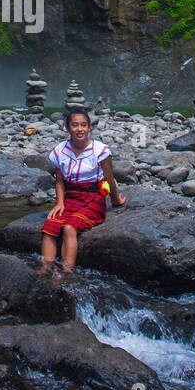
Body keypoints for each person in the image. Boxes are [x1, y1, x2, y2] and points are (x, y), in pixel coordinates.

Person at [39, 108, 125, 274]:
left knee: (70, 227)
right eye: (75, 125)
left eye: (84, 125)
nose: (80, 129)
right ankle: (46, 266)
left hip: (93, 197)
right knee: (50, 225)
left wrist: (115, 200)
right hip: (71, 197)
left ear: (90, 127)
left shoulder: (100, 150)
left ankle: (66, 270)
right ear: (67, 128)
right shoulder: (60, 150)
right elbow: (59, 181)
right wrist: (60, 203)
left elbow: (109, 179)